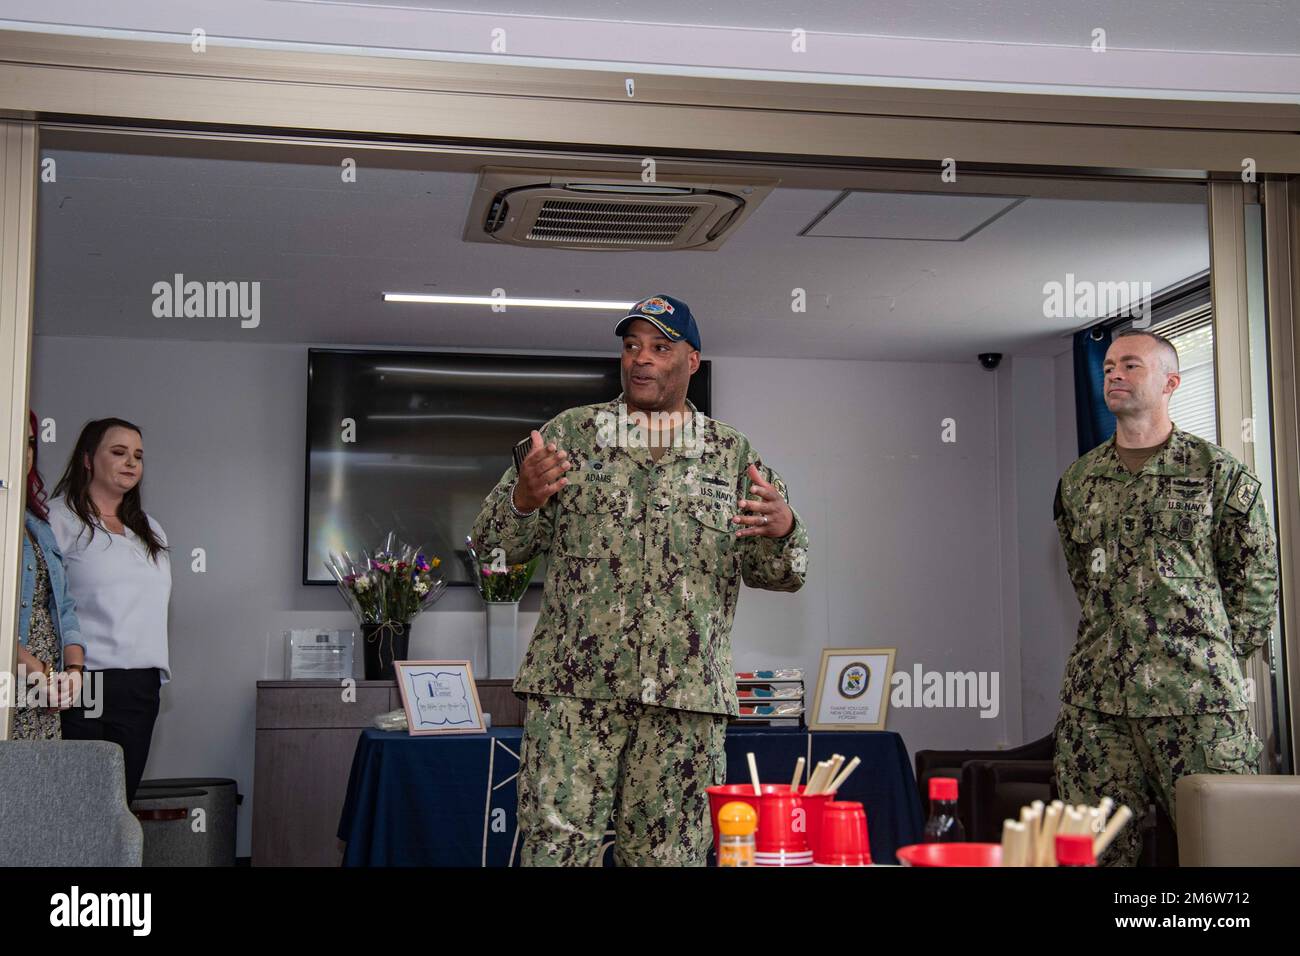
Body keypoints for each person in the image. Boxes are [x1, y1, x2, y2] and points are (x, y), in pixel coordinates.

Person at [472, 294, 809, 866]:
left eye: (659, 347)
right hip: (574, 694)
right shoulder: (571, 436)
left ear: (692, 361)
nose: (641, 360)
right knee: (556, 853)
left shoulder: (730, 456)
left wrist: (784, 530)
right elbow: (492, 552)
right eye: (631, 347)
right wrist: (523, 499)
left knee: (668, 857)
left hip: (685, 701)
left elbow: (780, 575)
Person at [1052, 329, 1279, 866]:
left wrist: (1204, 655)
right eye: (1108, 366)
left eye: (1131, 365)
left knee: (1231, 855)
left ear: (1170, 382)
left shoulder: (1216, 474)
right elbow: (1086, 580)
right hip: (1097, 707)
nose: (1113, 374)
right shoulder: (1080, 481)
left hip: (1198, 705)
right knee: (1091, 857)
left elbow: (1256, 585)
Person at [49, 418, 171, 803]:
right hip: (85, 681)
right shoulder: (55, 519)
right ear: (88, 459)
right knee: (80, 807)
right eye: (118, 452)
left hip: (142, 685)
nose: (131, 462)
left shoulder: (151, 530)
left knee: (120, 807)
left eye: (137, 456)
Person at [12, 411, 85, 740]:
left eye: (31, 443)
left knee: (39, 788)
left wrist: (72, 671)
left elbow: (63, 605)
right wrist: (38, 672)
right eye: (16, 440)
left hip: (43, 692)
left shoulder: (37, 524)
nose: (26, 451)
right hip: (16, 681)